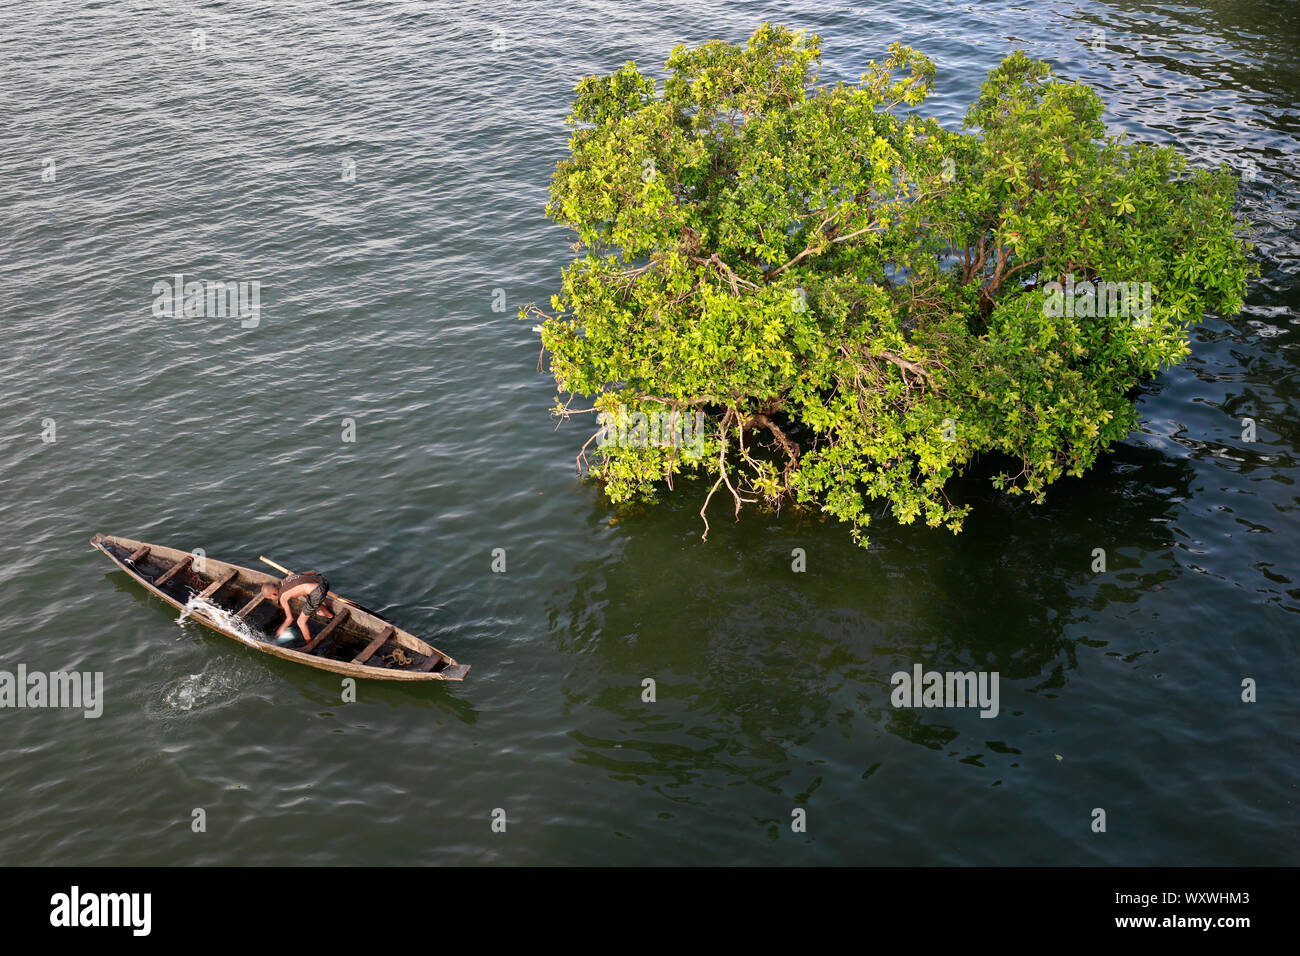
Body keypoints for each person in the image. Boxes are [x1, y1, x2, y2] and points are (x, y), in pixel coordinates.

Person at [262, 570, 334, 644]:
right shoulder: (288, 578)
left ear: (274, 594)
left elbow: (290, 619)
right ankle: (329, 615)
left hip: (318, 591)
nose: (272, 600)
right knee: (308, 597)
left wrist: (281, 629)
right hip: (323, 581)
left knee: (300, 622)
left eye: (270, 598)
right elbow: (312, 572)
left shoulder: (283, 597)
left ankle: (309, 643)